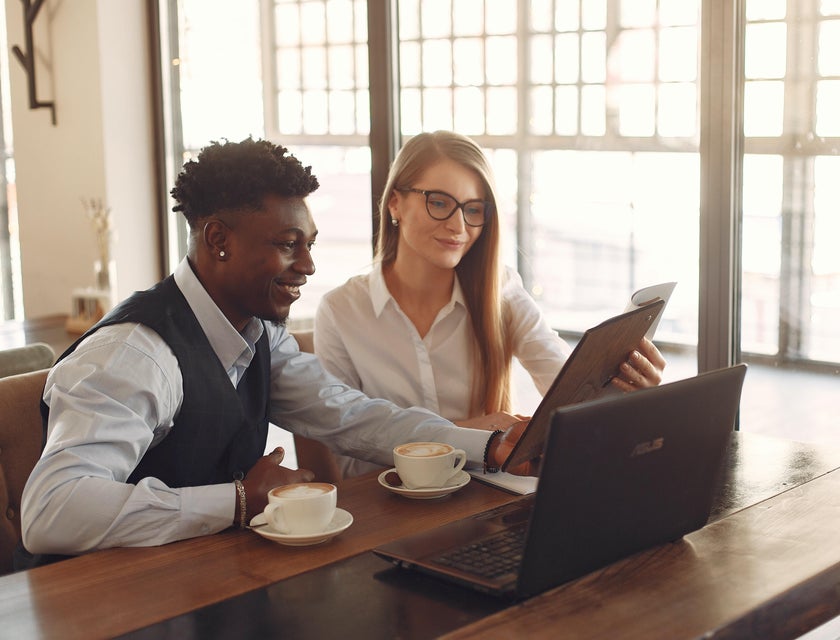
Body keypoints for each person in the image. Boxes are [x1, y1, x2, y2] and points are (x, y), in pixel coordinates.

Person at [17, 137, 528, 567]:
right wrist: (236, 502)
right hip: (102, 603)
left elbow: (352, 416)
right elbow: (51, 513)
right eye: (288, 244)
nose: (307, 265)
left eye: (310, 243)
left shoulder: (259, 332)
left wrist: (489, 447)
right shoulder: (135, 354)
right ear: (218, 239)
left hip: (202, 578)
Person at [315, 130, 666, 478]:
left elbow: (568, 392)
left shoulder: (502, 291)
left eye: (473, 209)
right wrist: (471, 434)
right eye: (438, 202)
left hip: (485, 498)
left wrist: (629, 394)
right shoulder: (340, 311)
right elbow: (351, 459)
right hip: (390, 508)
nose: (458, 225)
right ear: (395, 203)